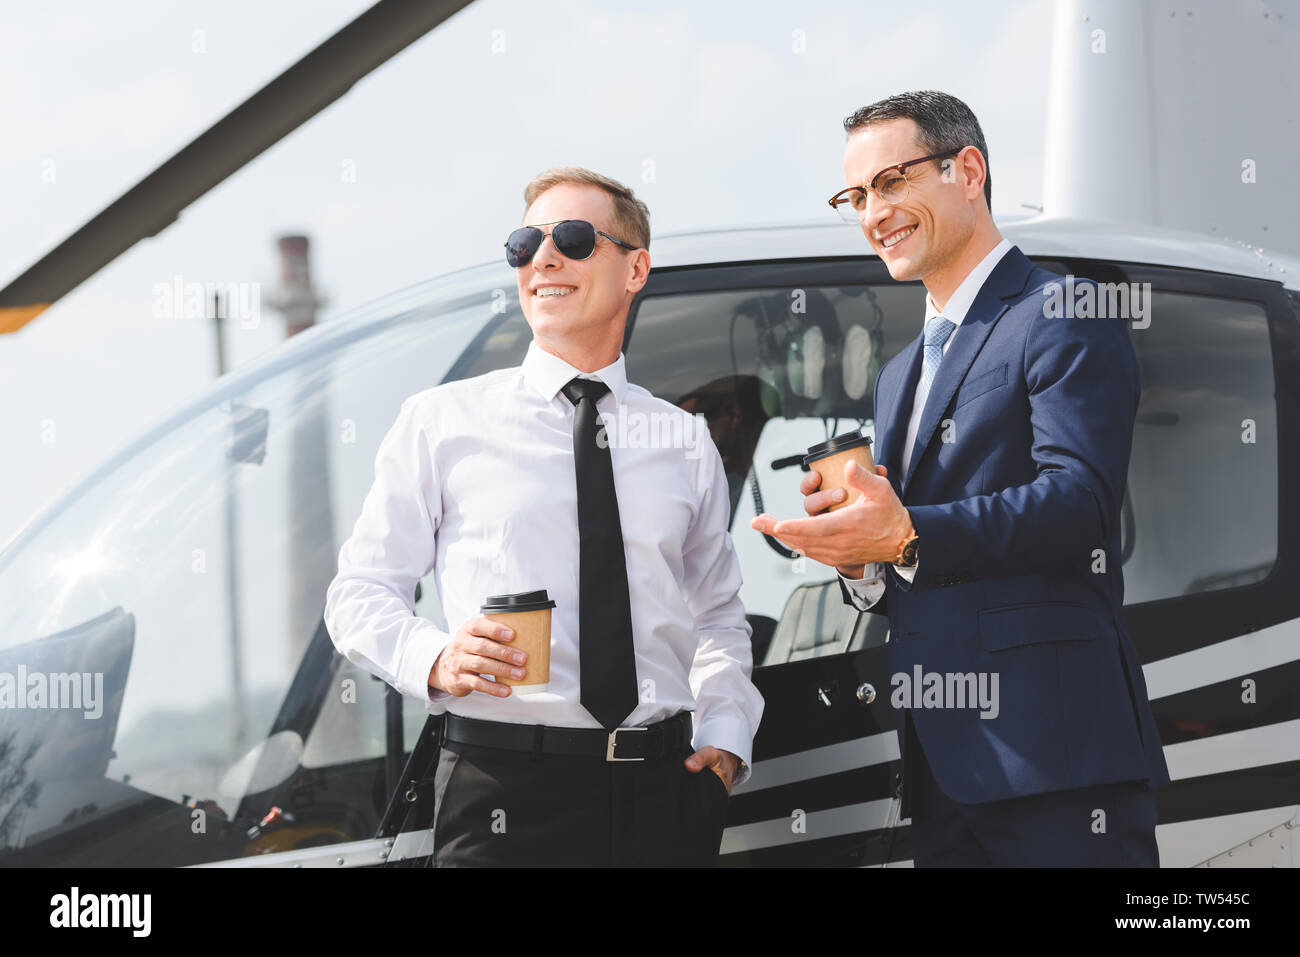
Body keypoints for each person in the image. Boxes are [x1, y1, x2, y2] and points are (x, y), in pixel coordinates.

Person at [751, 91, 1170, 866]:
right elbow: (914, 561)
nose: (873, 212)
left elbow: (1079, 502)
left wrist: (907, 529)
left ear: (967, 169)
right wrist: (860, 558)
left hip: (1058, 759)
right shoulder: (900, 372)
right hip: (944, 771)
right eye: (856, 196)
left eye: (893, 181)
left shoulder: (1063, 309)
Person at [324, 166, 763, 866]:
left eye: (575, 238)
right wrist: (434, 657)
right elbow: (357, 594)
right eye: (525, 243)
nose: (544, 258)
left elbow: (716, 618)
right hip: (505, 796)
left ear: (635, 268)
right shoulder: (441, 421)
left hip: (664, 797)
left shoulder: (683, 440)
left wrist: (726, 738)